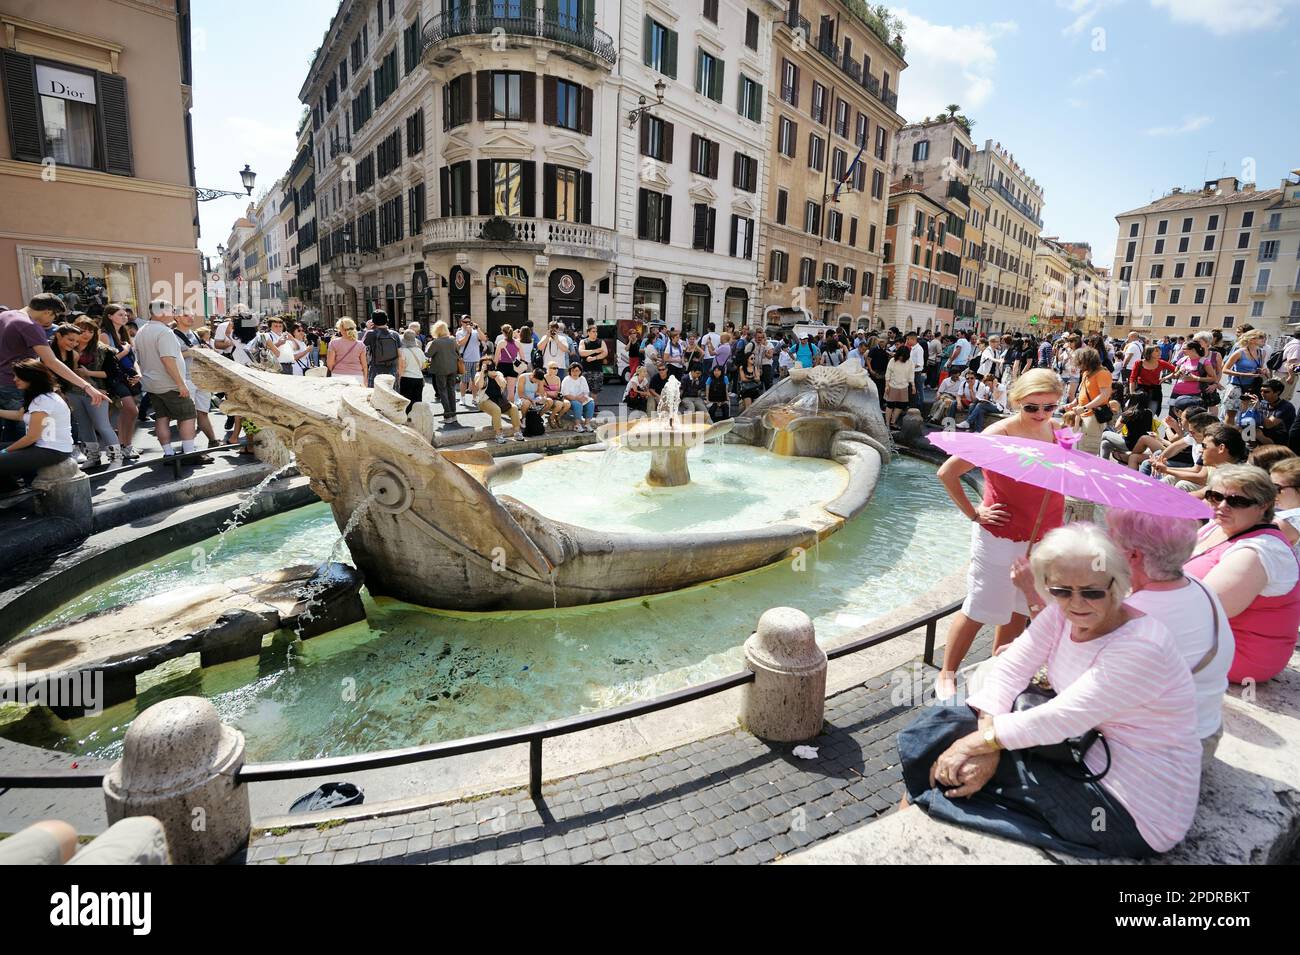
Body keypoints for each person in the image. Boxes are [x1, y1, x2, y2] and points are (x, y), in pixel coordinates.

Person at [899, 523, 1200, 858]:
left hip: (1129, 803)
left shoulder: (1141, 647)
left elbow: (1064, 717)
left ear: (1118, 585)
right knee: (942, 728)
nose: (1076, 604)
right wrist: (988, 744)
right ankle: (910, 820)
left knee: (949, 763)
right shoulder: (1060, 615)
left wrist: (976, 743)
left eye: (1092, 592)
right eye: (1061, 590)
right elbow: (1011, 666)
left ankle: (907, 833)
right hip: (1083, 752)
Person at [935, 369, 1067, 699]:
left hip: (1043, 536)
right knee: (981, 606)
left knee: (1021, 606)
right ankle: (947, 673)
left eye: (1049, 407)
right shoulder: (1000, 433)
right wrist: (974, 512)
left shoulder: (1059, 431)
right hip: (1000, 536)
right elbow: (948, 472)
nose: (1041, 415)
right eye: (1032, 408)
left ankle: (998, 668)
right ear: (1017, 402)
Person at [1102, 510, 1235, 761]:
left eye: (1111, 537)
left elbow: (1080, 685)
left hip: (1163, 753)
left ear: (1133, 555)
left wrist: (1037, 599)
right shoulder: (1198, 585)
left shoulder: (1135, 614)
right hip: (1204, 733)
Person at [1185, 464, 1300, 683]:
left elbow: (1206, 609)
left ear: (1264, 506)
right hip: (1207, 637)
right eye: (1215, 496)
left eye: (1237, 501)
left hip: (1237, 655)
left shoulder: (1262, 550)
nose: (1222, 506)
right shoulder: (1218, 526)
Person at [0, 293, 106, 444]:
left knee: (9, 433)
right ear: (48, 312)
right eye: (54, 316)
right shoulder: (30, 325)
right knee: (23, 437)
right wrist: (86, 386)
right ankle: (24, 467)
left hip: (5, 384)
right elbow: (51, 361)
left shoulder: (6, 315)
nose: (52, 321)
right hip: (16, 385)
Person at [132, 300, 198, 459]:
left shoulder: (142, 330)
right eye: (171, 310)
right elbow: (167, 359)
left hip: (152, 383)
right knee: (188, 416)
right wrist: (181, 384)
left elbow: (139, 359)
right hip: (169, 383)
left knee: (162, 417)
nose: (174, 313)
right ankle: (189, 454)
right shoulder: (165, 332)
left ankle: (168, 453)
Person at [51, 323, 120, 467]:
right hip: (67, 394)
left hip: (85, 392)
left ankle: (116, 458)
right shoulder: (48, 353)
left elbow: (79, 375)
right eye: (71, 340)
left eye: (76, 341)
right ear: (58, 336)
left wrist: (95, 389)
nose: (75, 343)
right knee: (83, 426)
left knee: (103, 425)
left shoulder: (74, 354)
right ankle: (93, 458)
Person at [0, 359, 74, 490]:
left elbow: (31, 437)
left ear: (32, 378)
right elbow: (20, 416)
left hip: (52, 451)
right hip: (41, 446)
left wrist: (6, 451)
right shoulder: (38, 396)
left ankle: (12, 494)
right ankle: (12, 493)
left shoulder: (43, 400)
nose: (14, 379)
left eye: (19, 376)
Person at [99, 304, 141, 458]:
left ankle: (125, 444)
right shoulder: (104, 335)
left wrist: (139, 373)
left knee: (126, 412)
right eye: (120, 315)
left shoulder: (124, 333)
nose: (124, 317)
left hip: (129, 376)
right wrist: (125, 350)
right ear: (109, 316)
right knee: (131, 409)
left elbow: (133, 358)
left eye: (125, 315)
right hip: (115, 378)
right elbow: (109, 361)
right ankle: (125, 444)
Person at [173, 312, 218, 451]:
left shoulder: (195, 334)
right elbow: (170, 357)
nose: (191, 318)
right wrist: (194, 351)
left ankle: (213, 441)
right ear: (177, 317)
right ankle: (188, 448)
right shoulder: (172, 335)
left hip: (200, 377)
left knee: (203, 412)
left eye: (192, 315)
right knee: (187, 415)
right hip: (185, 378)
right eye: (186, 315)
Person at [1061, 346, 1111, 455]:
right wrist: (1073, 403)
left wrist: (1084, 408)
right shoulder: (1086, 373)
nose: (1079, 365)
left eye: (1080, 362)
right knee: (1080, 447)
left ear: (1088, 361)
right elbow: (1082, 392)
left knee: (1088, 450)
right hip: (1083, 414)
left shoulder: (1102, 373)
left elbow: (1104, 395)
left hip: (1093, 416)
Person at [1221, 330, 1267, 427]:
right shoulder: (1239, 352)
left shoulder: (1262, 352)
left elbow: (1259, 367)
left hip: (1252, 387)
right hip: (1236, 386)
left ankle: (1245, 439)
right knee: (1231, 415)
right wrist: (1244, 374)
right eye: (1261, 337)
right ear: (1252, 339)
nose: (1264, 339)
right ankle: (1227, 437)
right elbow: (1225, 370)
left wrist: (1262, 371)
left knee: (1248, 415)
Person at [474, 357, 523, 443]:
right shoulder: (479, 374)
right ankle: (499, 434)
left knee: (514, 408)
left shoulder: (498, 373)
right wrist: (483, 372)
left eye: (489, 364)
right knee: (496, 409)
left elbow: (503, 384)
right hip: (484, 400)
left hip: (499, 400)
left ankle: (517, 432)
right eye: (485, 364)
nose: (488, 366)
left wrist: (495, 376)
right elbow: (480, 386)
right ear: (481, 365)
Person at [424, 321, 460, 427]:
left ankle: (448, 416)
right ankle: (453, 415)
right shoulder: (453, 340)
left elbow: (428, 354)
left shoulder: (436, 342)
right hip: (452, 368)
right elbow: (458, 352)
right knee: (451, 391)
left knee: (443, 392)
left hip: (440, 369)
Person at [1128, 344, 1174, 417]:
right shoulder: (1139, 363)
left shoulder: (1161, 363)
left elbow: (1176, 371)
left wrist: (1165, 378)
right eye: (1156, 351)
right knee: (1137, 413)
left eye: (1160, 350)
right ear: (1149, 352)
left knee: (1150, 414)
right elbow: (1132, 378)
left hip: (1156, 391)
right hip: (1141, 391)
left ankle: (1147, 427)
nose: (1160, 352)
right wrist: (1132, 393)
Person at [456, 316, 489, 407]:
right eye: (465, 321)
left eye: (469, 322)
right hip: (465, 360)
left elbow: (484, 339)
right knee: (464, 380)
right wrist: (467, 333)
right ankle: (462, 398)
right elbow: (460, 343)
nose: (467, 323)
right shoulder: (459, 333)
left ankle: (474, 399)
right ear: (461, 322)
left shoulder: (475, 332)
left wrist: (477, 328)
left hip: (476, 360)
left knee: (475, 381)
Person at [363, 311, 401, 386]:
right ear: (387, 320)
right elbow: (400, 355)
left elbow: (361, 347)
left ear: (373, 321)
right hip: (392, 369)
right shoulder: (395, 334)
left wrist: (368, 329)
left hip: (376, 369)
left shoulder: (371, 333)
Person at [327, 317, 367, 384]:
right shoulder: (361, 344)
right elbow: (364, 365)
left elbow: (330, 364)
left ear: (342, 329)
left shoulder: (334, 343)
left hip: (338, 375)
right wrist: (365, 380)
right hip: (357, 377)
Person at [883, 344, 913, 429]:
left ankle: (893, 422)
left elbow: (911, 374)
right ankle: (887, 424)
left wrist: (913, 385)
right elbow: (888, 374)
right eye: (900, 356)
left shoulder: (910, 362)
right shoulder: (892, 361)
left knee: (901, 405)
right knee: (890, 405)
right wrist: (886, 385)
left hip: (904, 386)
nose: (901, 358)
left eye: (903, 357)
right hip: (892, 385)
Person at [396, 329, 427, 412]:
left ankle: (407, 421)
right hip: (418, 378)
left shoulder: (402, 351)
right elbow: (424, 365)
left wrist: (399, 379)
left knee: (406, 402)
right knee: (417, 401)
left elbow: (401, 366)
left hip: (406, 378)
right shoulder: (419, 351)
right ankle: (417, 420)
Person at [560, 361, 596, 431]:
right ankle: (577, 425)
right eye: (573, 371)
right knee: (577, 404)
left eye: (577, 371)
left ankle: (587, 424)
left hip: (580, 398)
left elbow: (586, 391)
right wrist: (577, 398)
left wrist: (583, 397)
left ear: (580, 371)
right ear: (570, 371)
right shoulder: (566, 380)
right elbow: (566, 394)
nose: (575, 373)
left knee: (591, 402)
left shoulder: (582, 379)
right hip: (570, 399)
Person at [578, 325, 608, 400]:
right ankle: (586, 406)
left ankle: (593, 406)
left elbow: (605, 353)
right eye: (593, 332)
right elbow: (581, 352)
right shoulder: (583, 341)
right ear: (588, 332)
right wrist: (595, 351)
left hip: (597, 370)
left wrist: (594, 358)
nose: (595, 333)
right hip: (585, 370)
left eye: (596, 332)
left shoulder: (601, 341)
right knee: (585, 391)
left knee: (595, 391)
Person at [542, 363, 571, 428]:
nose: (556, 370)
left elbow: (558, 390)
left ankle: (558, 417)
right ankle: (551, 418)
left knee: (568, 404)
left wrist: (556, 394)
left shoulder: (557, 378)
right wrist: (550, 393)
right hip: (547, 398)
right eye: (554, 368)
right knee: (559, 404)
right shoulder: (544, 377)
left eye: (557, 368)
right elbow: (541, 390)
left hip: (556, 398)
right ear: (549, 369)